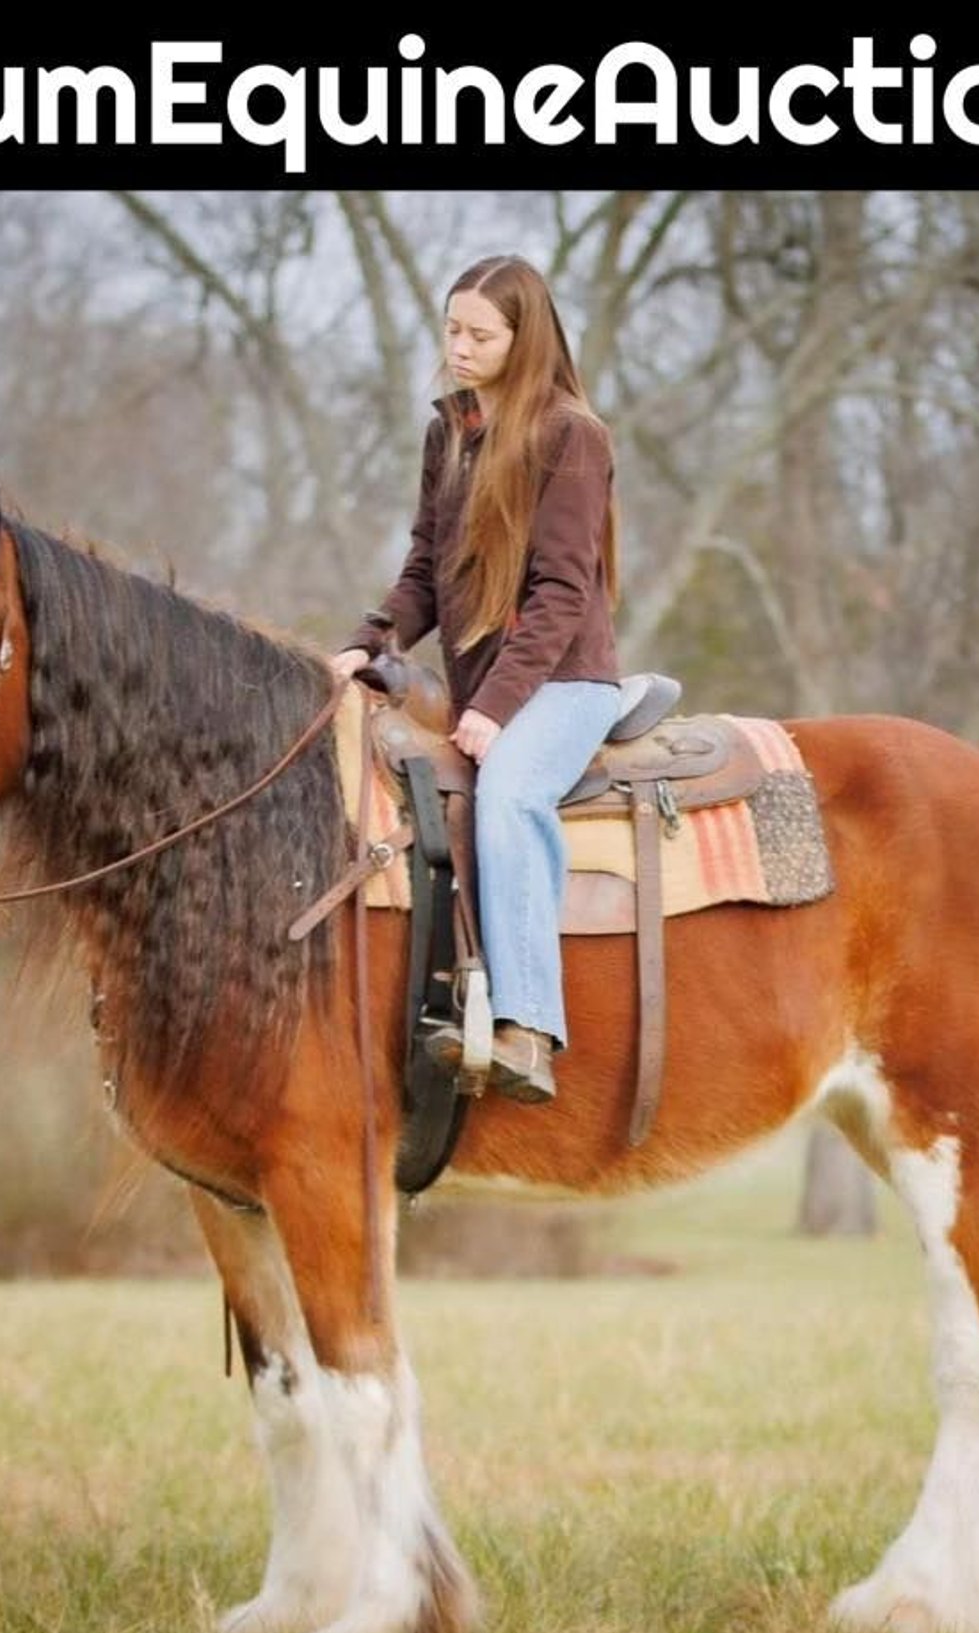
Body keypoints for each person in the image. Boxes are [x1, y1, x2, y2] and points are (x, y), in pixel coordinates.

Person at [332, 254, 623, 1104]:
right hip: (491, 689)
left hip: (565, 683)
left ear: (524, 339)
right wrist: (368, 644)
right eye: (452, 330)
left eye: (480, 336)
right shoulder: (450, 432)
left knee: (509, 795)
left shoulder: (571, 436)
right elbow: (425, 569)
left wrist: (495, 706)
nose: (458, 348)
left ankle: (527, 1028)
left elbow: (564, 592)